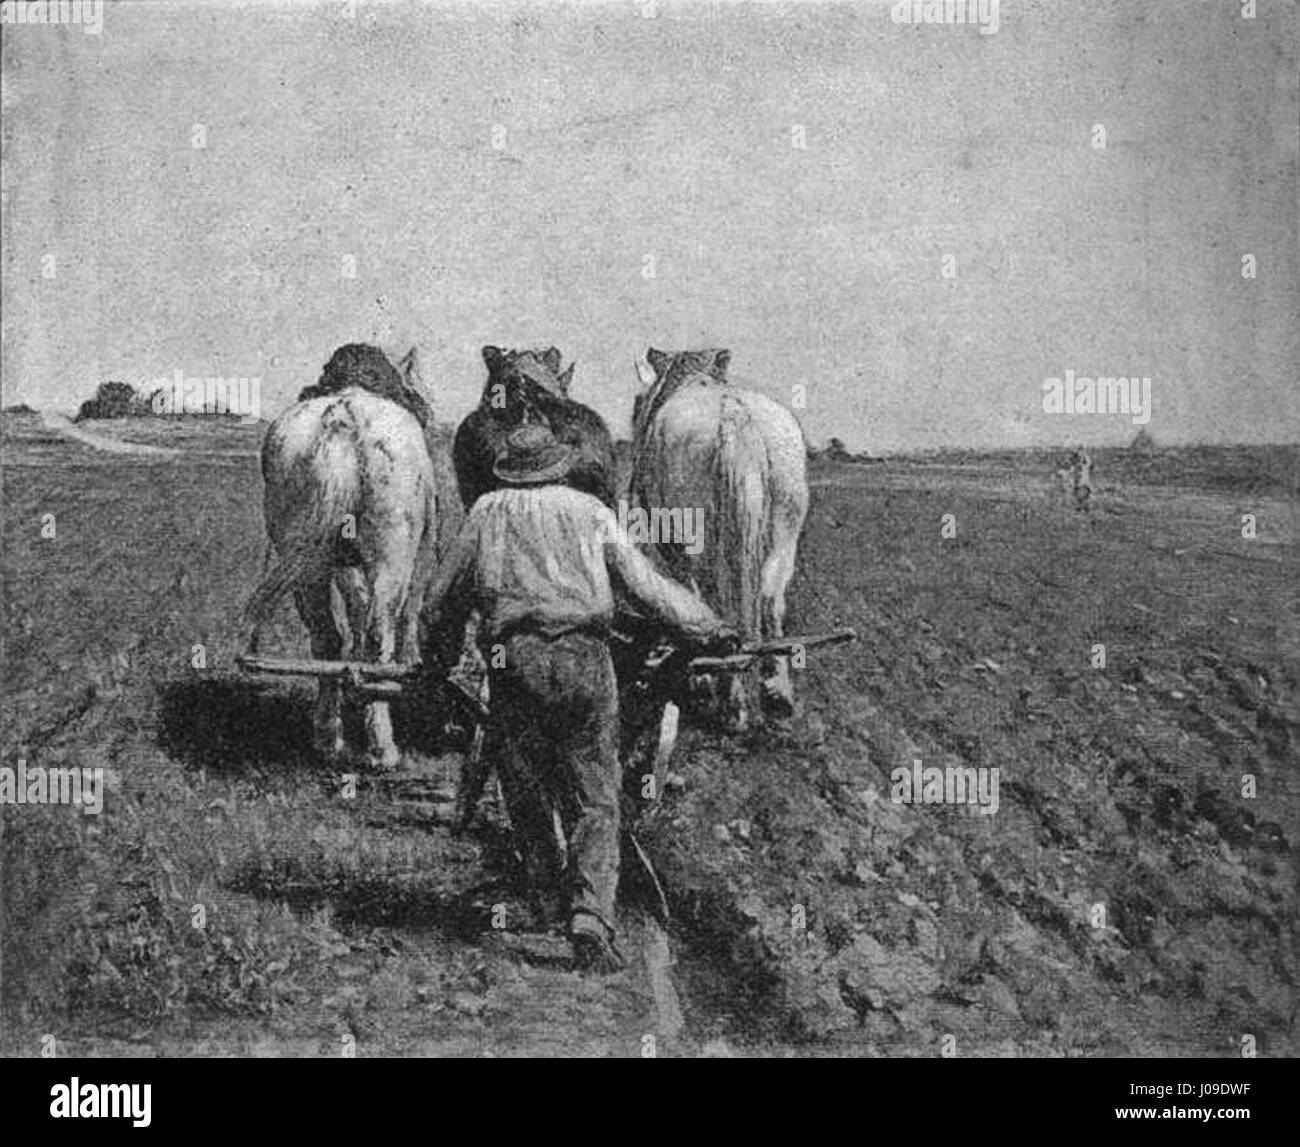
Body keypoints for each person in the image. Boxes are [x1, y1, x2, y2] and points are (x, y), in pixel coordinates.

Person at [418, 423, 738, 972]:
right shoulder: (590, 513)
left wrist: (437, 659)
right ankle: (589, 915)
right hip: (585, 658)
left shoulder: (486, 512)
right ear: (559, 463)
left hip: (512, 660)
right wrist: (707, 627)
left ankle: (546, 898)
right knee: (597, 791)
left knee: (524, 783)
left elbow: (440, 598)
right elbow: (645, 587)